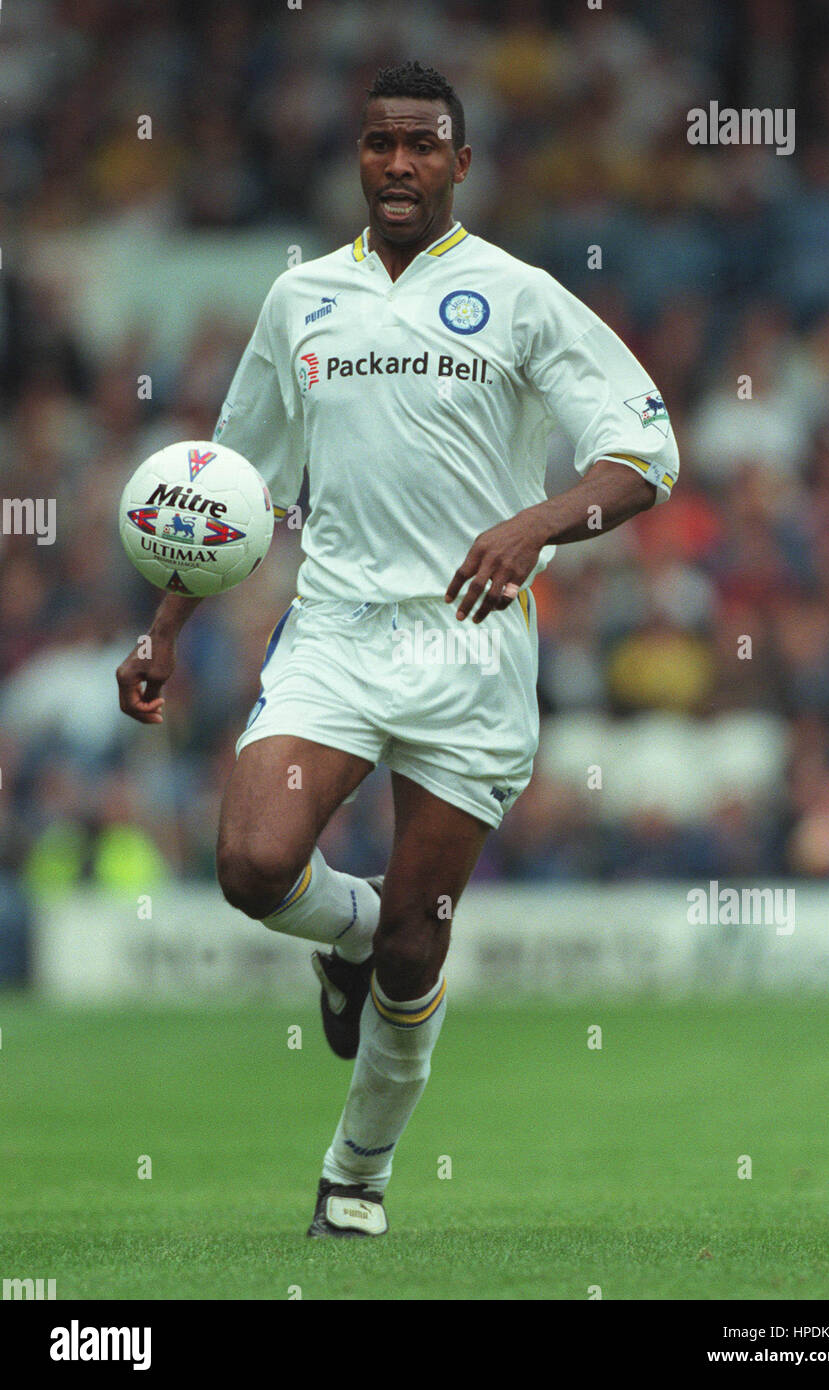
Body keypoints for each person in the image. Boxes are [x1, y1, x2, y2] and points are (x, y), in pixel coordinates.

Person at [116, 60, 679, 1238]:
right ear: (358, 159)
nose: (399, 165)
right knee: (252, 865)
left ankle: (355, 1176)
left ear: (461, 162)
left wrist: (533, 526)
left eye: (422, 145)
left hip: (472, 647)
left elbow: (642, 458)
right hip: (335, 629)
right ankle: (350, 933)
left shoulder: (522, 297)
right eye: (379, 145)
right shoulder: (300, 299)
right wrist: (163, 628)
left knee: (424, 938)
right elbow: (237, 485)